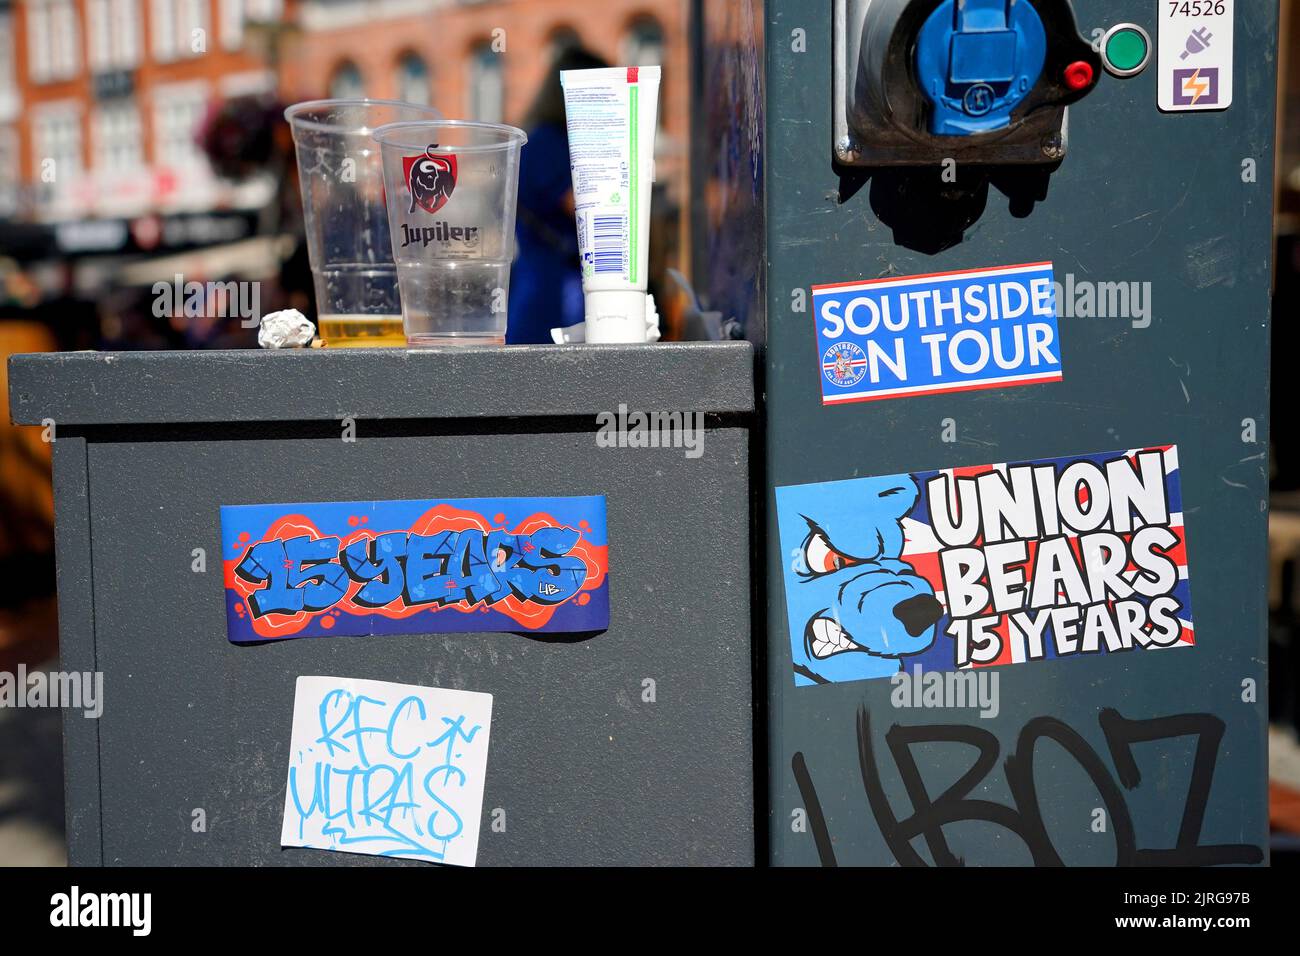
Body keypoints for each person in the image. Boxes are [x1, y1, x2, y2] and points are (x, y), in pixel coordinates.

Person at [507, 46, 609, 344]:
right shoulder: (553, 144)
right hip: (554, 287)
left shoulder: (539, 140)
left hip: (539, 280)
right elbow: (586, 206)